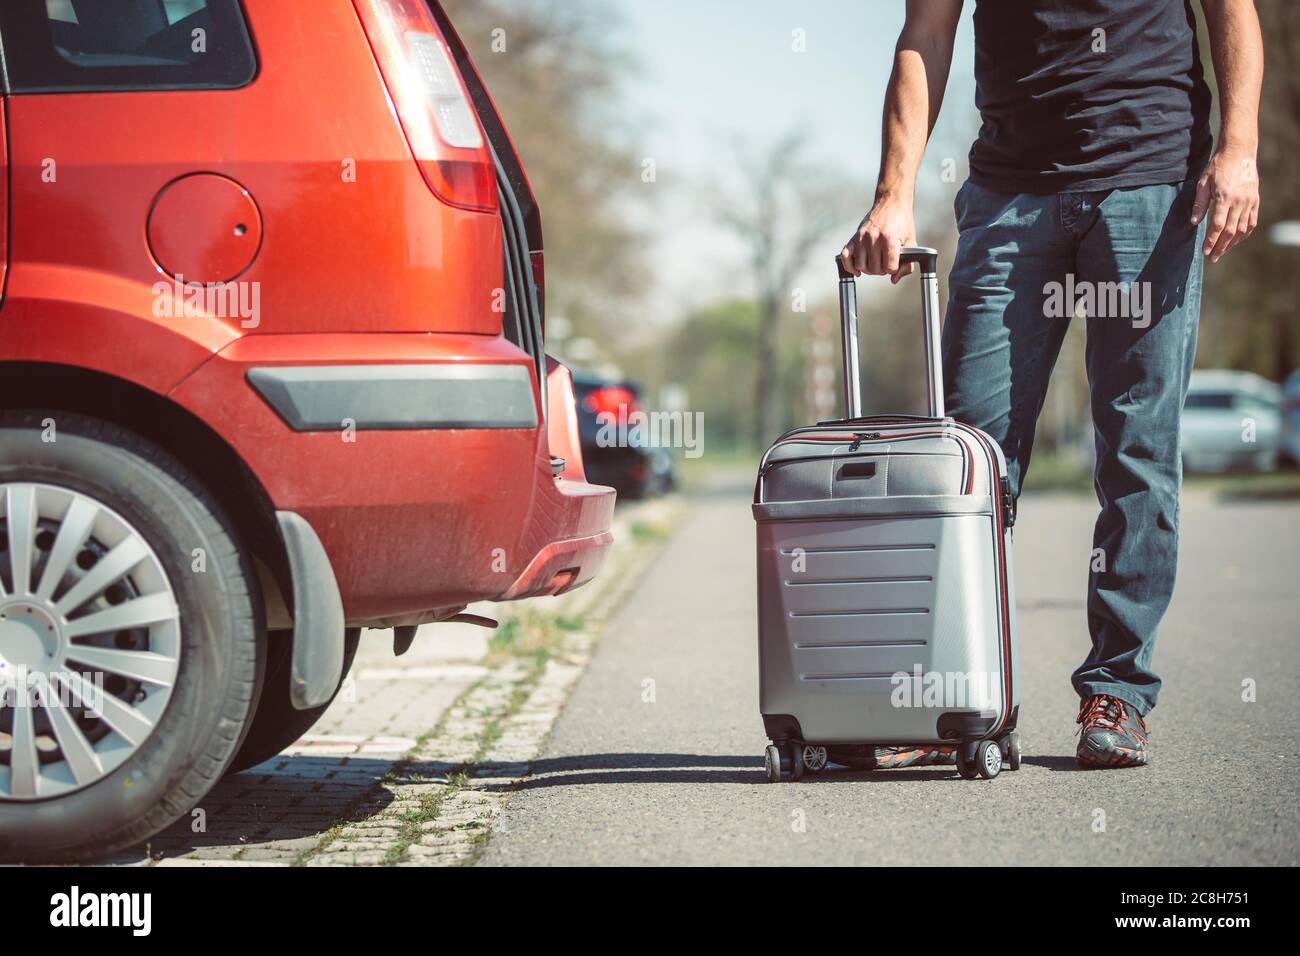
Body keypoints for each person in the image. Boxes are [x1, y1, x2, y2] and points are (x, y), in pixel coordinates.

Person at [840, 0, 1262, 768]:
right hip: (1010, 193)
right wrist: (894, 193)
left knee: (1137, 450)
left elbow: (1232, 9)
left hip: (1151, 181)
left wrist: (1239, 147)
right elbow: (926, 33)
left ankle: (1119, 691)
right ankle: (949, 689)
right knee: (965, 461)